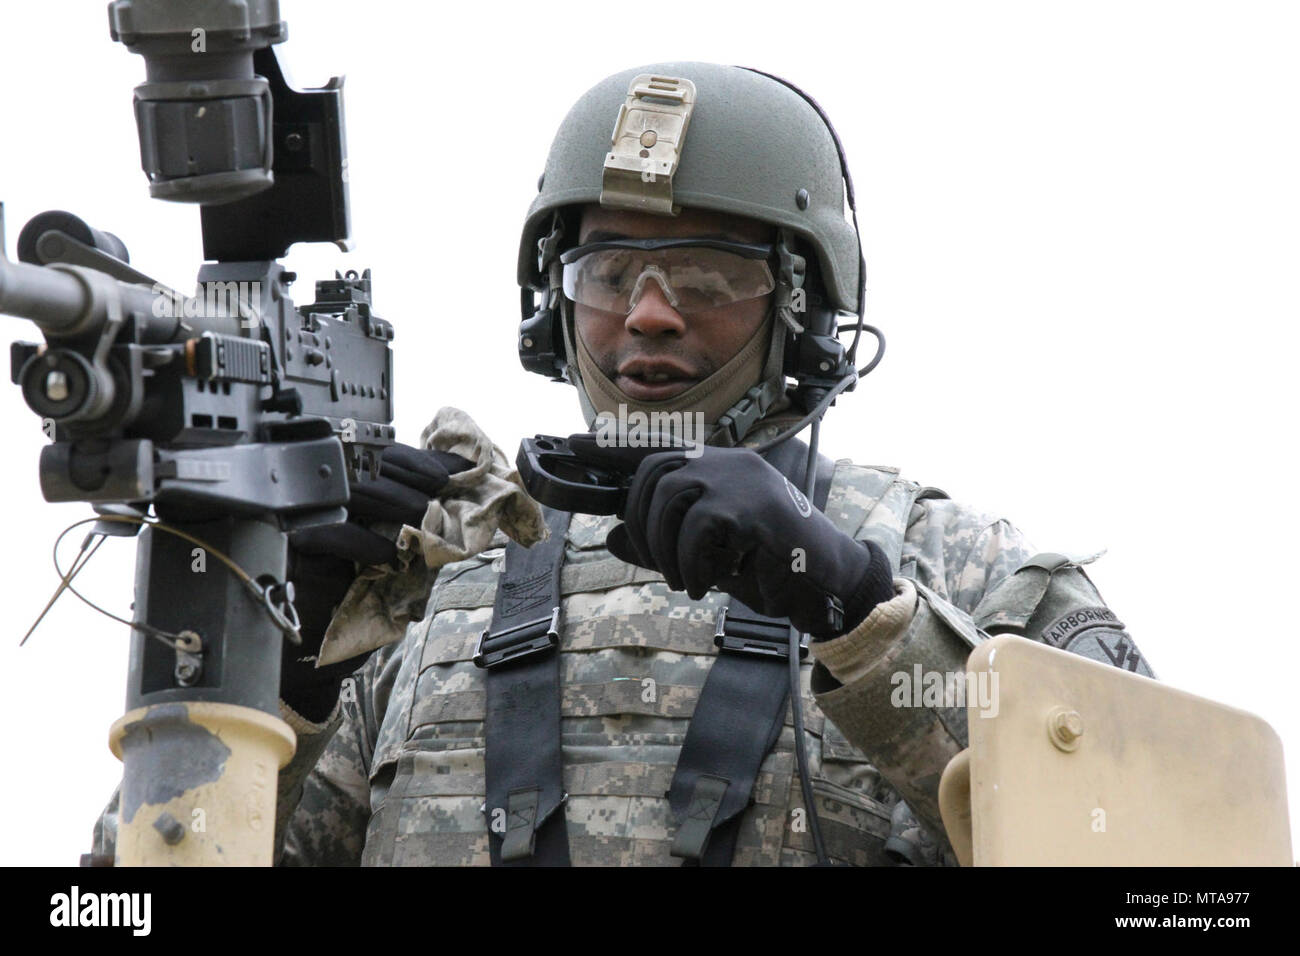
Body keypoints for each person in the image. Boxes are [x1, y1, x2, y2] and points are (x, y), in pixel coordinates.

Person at [94, 62, 1155, 867]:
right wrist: (274, 670)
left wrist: (858, 614)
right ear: (555, 311)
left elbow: (1175, 869)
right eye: (608, 274)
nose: (647, 315)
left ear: (802, 310)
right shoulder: (412, 607)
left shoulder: (958, 572)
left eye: (702, 276)